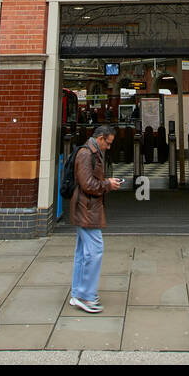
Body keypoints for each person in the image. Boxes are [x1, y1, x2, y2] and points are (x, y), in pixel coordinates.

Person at [69, 124, 122, 313]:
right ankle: (86, 296)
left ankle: (78, 292)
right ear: (101, 138)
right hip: (87, 209)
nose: (108, 147)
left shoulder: (92, 151)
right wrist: (107, 184)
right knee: (95, 250)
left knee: (83, 253)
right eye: (108, 143)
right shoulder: (86, 154)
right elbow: (88, 184)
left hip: (86, 207)